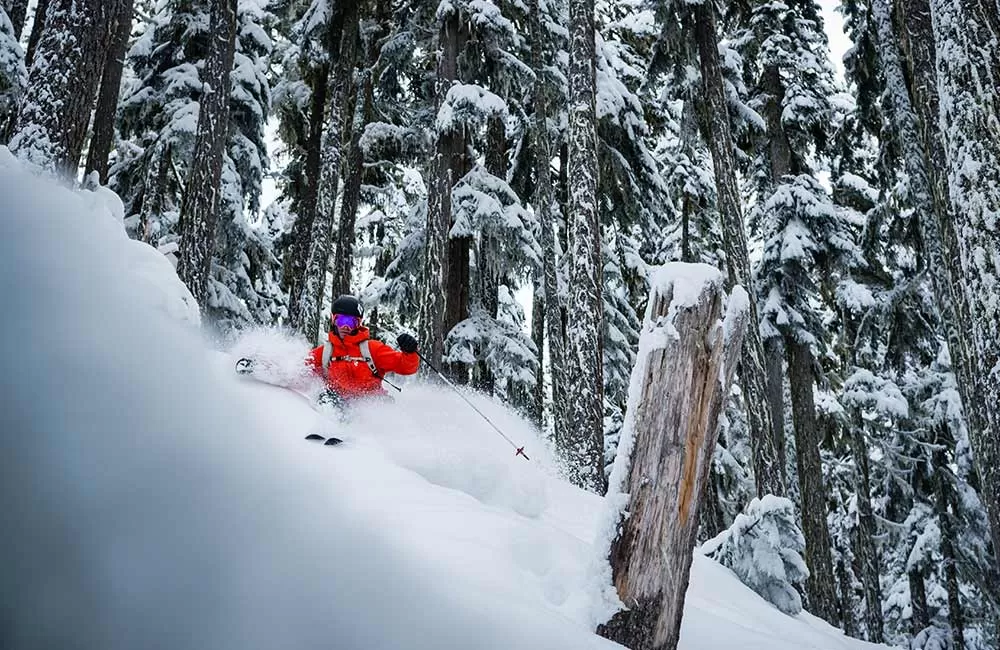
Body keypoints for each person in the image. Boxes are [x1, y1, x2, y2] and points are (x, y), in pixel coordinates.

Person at [307, 295, 419, 403]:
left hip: (372, 407)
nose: (346, 327)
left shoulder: (373, 349)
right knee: (326, 399)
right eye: (341, 321)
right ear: (334, 320)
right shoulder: (324, 353)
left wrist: (410, 352)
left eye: (351, 322)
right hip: (339, 408)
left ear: (358, 324)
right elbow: (302, 369)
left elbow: (405, 367)